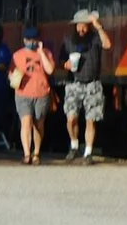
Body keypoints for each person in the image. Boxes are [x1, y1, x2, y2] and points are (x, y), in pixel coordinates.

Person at [62, 11, 111, 163]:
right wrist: (66, 64)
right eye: (79, 26)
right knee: (71, 119)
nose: (81, 29)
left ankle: (88, 152)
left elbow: (107, 45)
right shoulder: (68, 40)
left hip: (92, 84)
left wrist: (99, 27)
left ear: (89, 27)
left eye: (84, 26)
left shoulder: (95, 39)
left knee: (91, 120)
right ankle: (74, 145)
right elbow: (61, 60)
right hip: (74, 83)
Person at [9, 30, 54, 166]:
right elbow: (11, 73)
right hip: (23, 93)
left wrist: (41, 53)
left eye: (34, 39)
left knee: (39, 124)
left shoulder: (46, 53)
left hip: (41, 92)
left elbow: (50, 70)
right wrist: (13, 77)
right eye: (29, 39)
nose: (31, 42)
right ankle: (27, 154)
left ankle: (37, 153)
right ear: (24, 40)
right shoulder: (17, 55)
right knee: (26, 122)